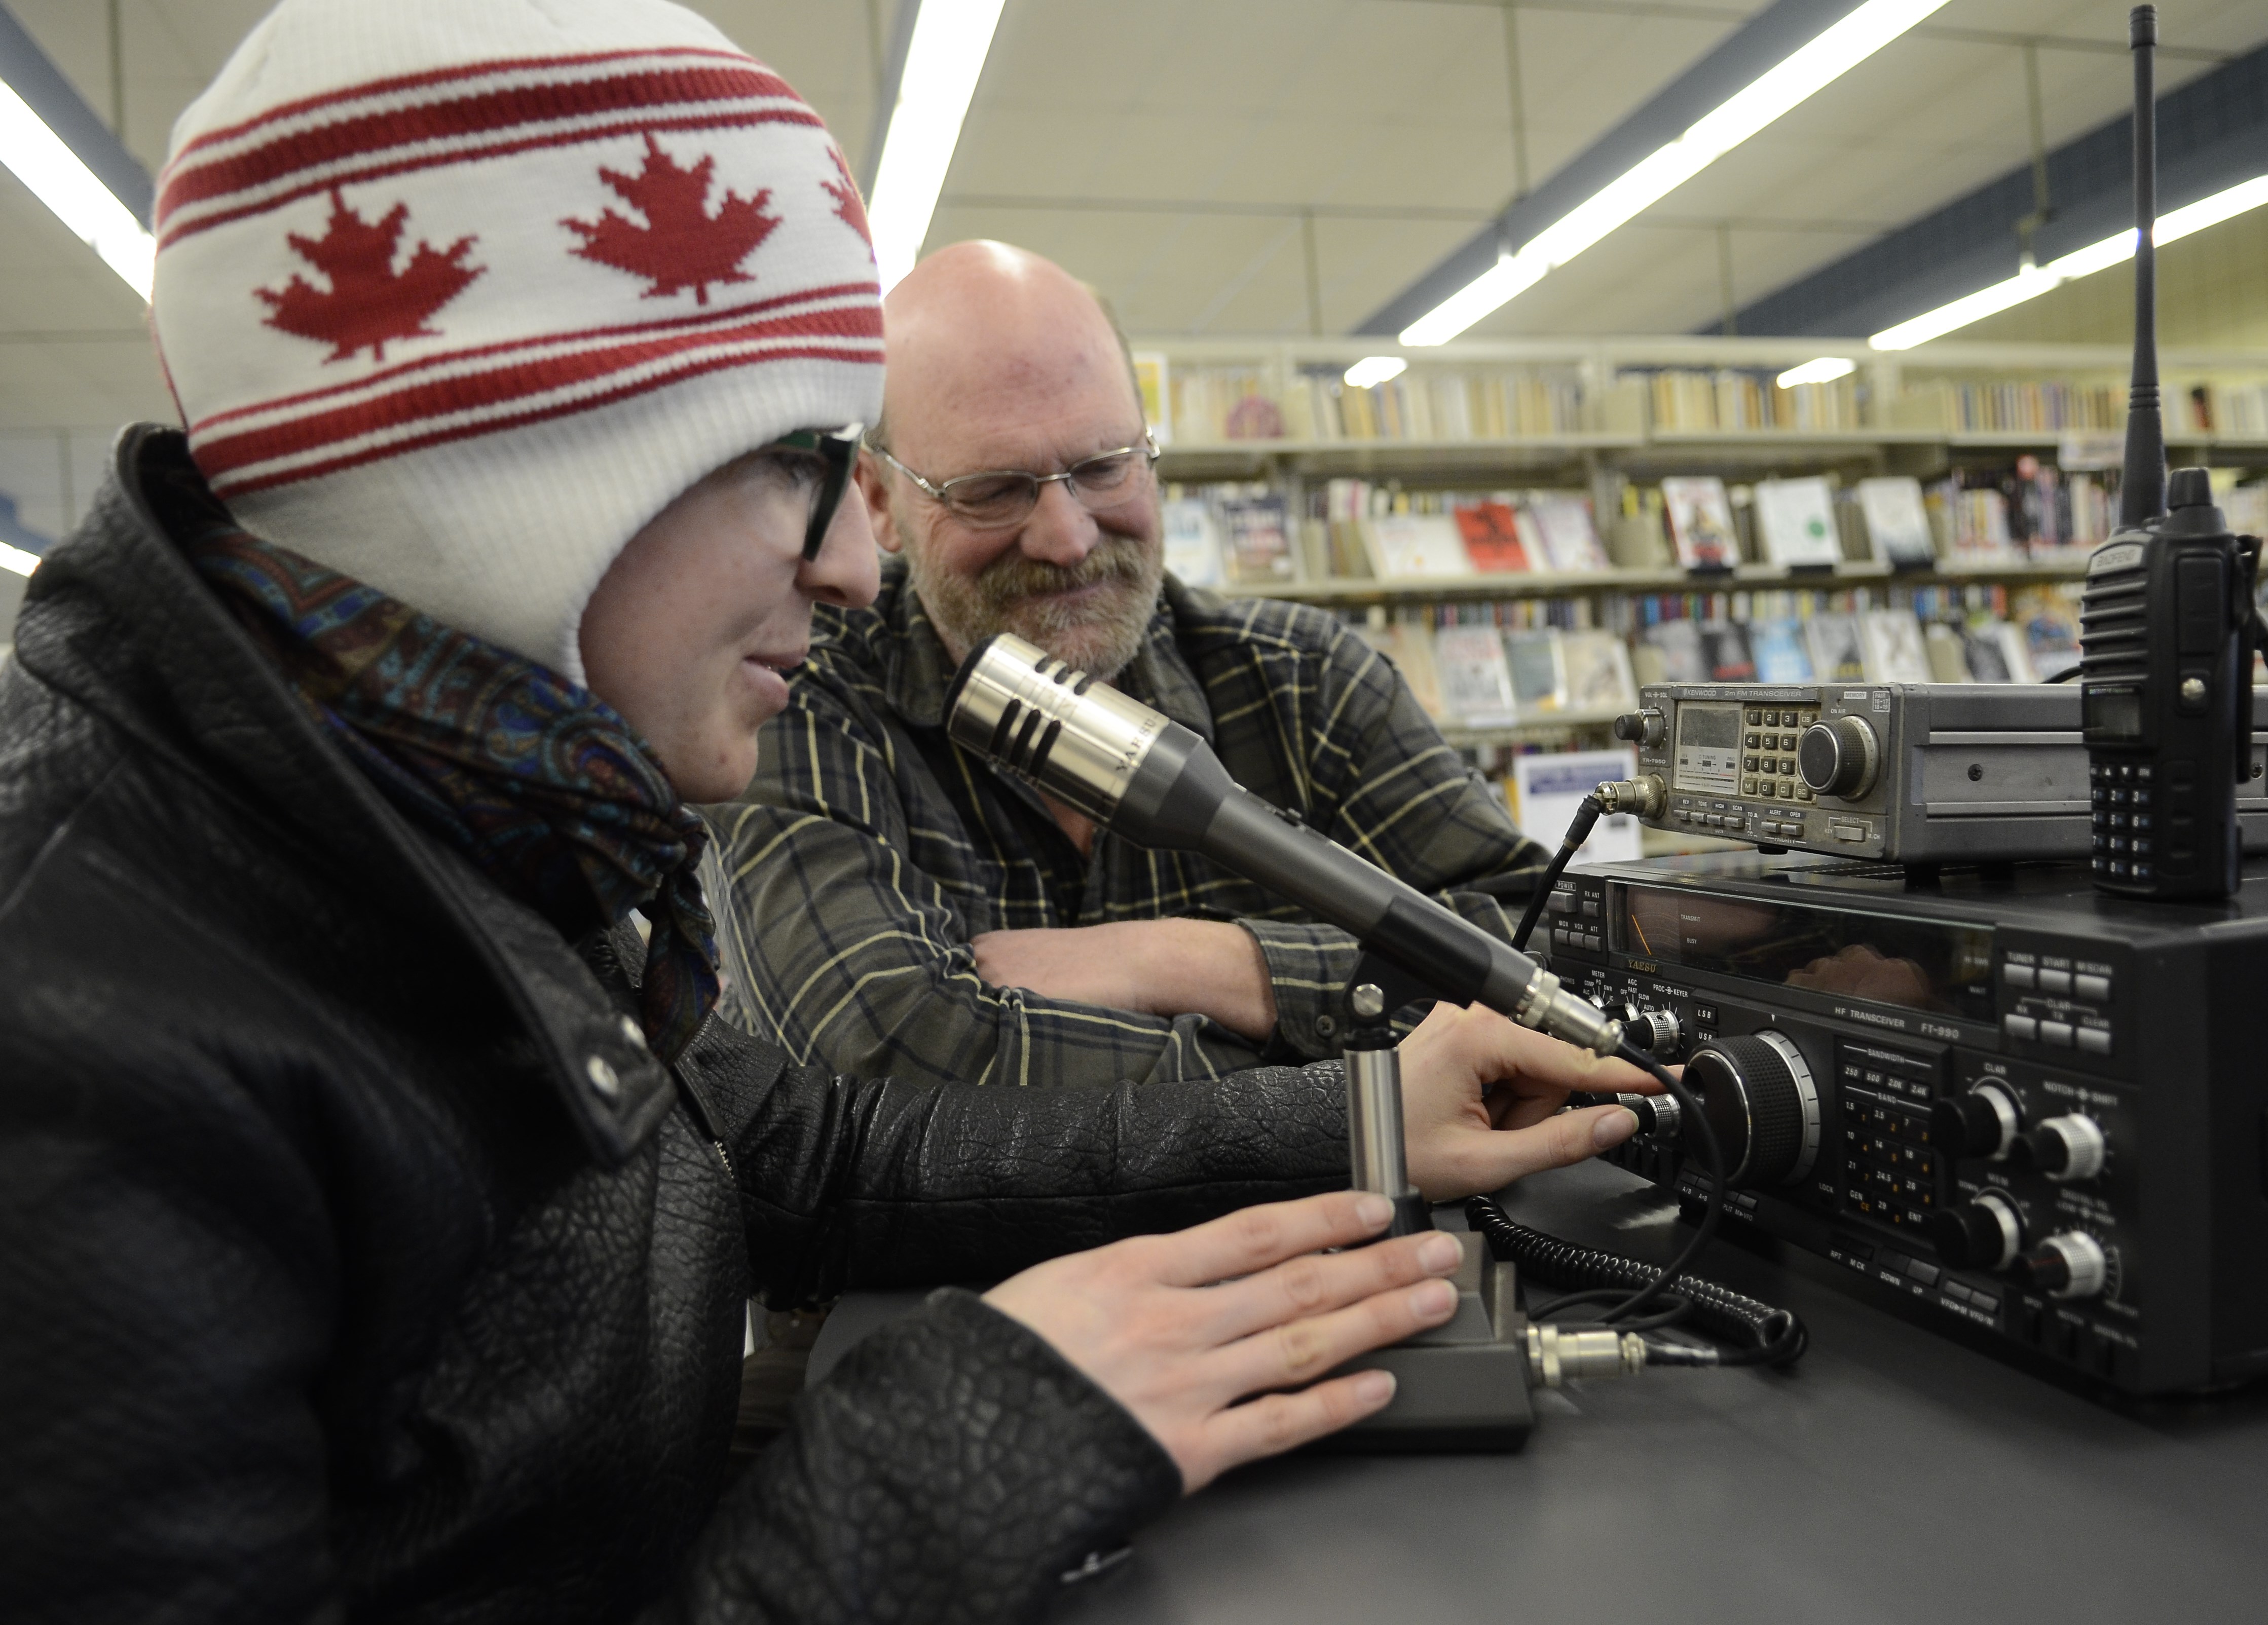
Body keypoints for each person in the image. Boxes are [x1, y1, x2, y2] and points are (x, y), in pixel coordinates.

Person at [0, 3, 1656, 1618]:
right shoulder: (72, 1033)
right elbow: (876, 1053)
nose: (857, 562)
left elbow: (809, 1146)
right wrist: (944, 1452)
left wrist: (1353, 1114)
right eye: (795, 460)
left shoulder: (483, 812)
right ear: (515, 473)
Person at [702, 240, 1545, 1089]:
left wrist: (1195, 962)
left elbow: (1547, 955)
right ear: (881, 502)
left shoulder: (1306, 682)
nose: (1067, 540)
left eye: (1104, 468)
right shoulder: (801, 685)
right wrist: (1380, 1091)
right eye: (993, 491)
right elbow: (895, 1062)